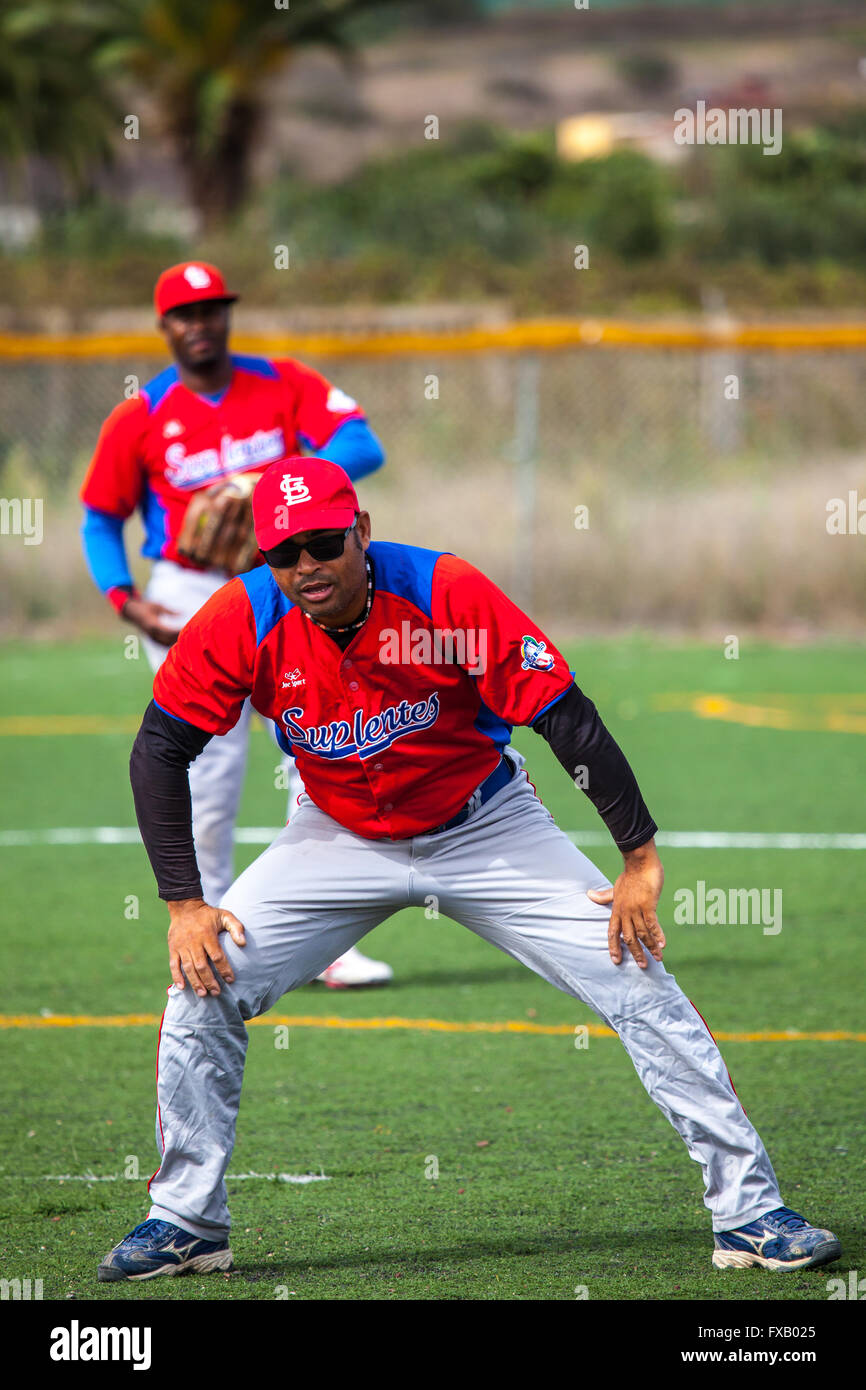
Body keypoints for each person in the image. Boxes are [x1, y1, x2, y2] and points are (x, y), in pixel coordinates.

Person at [97, 455, 841, 1281]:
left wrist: (637, 857)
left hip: (485, 825)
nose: (305, 565)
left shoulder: (442, 593)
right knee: (204, 979)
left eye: (322, 543)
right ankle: (187, 1221)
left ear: (361, 533)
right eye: (284, 551)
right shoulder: (246, 613)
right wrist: (184, 903)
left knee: (633, 973)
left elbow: (564, 715)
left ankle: (749, 1213)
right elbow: (161, 747)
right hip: (336, 836)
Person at [79, 261, 392, 987]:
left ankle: (322, 942)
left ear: (227, 316)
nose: (200, 325)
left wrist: (271, 481)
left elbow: (363, 446)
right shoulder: (141, 414)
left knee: (322, 747)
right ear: (165, 327)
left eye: (212, 310)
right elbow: (101, 516)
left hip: (290, 576)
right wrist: (125, 599)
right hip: (190, 587)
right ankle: (209, 925)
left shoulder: (281, 382)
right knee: (207, 774)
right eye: (185, 314)